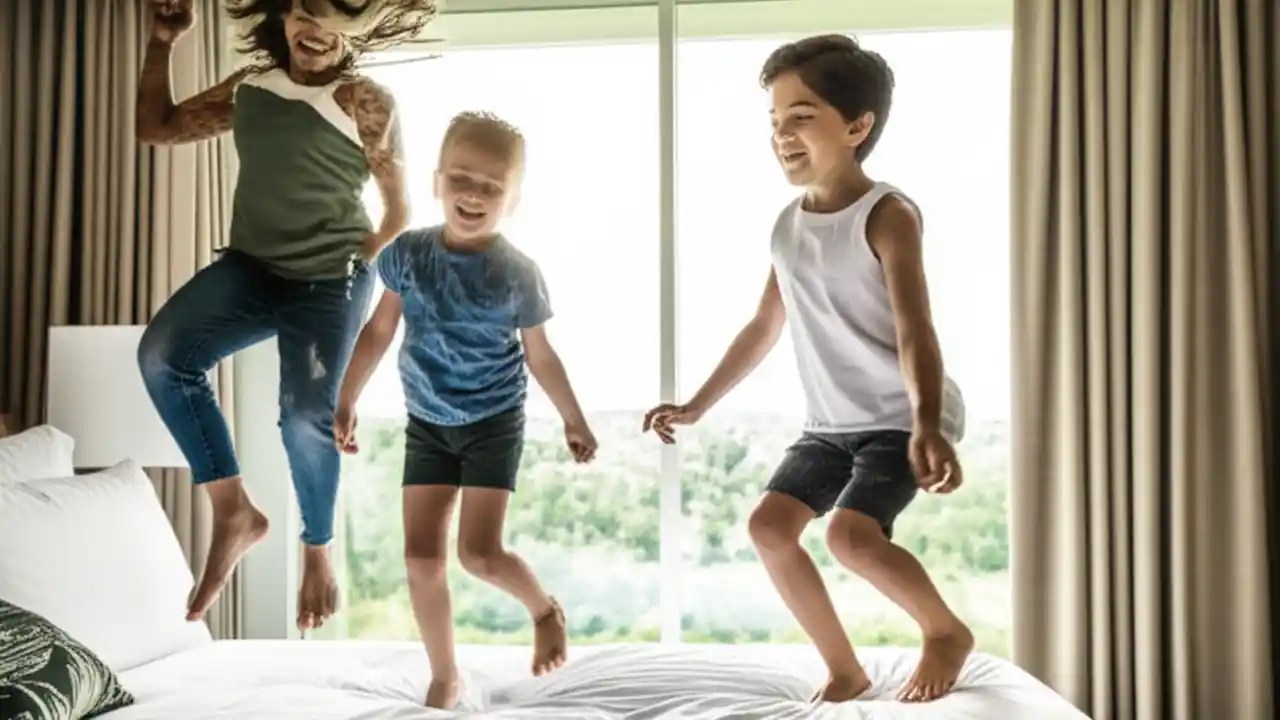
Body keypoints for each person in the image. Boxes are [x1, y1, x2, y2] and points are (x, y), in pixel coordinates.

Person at [643, 34, 973, 704]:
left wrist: (929, 424)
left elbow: (917, 330)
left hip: (899, 415)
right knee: (768, 528)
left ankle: (944, 631)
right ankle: (845, 670)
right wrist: (697, 404)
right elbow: (765, 326)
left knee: (851, 537)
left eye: (801, 116)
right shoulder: (788, 226)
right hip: (831, 423)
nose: (782, 135)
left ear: (856, 126)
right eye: (774, 121)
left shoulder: (887, 215)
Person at [135, 0, 436, 633]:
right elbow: (156, 128)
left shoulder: (364, 101)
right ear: (284, 19)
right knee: (163, 357)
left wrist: (362, 263)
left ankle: (318, 549)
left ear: (350, 30)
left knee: (304, 413)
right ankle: (233, 511)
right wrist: (162, 42)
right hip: (251, 269)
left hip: (329, 279)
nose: (316, 32)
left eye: (333, 22)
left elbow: (397, 209)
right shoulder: (250, 88)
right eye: (304, 14)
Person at [334, 111, 595, 709]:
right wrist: (346, 396)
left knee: (478, 554)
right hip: (426, 419)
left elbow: (542, 356)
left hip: (493, 421)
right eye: (461, 178)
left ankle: (543, 608)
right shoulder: (406, 254)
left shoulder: (518, 274)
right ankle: (445, 673)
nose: (473, 194)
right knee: (420, 557)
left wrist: (573, 419)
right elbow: (378, 331)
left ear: (514, 200)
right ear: (436, 181)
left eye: (491, 186)